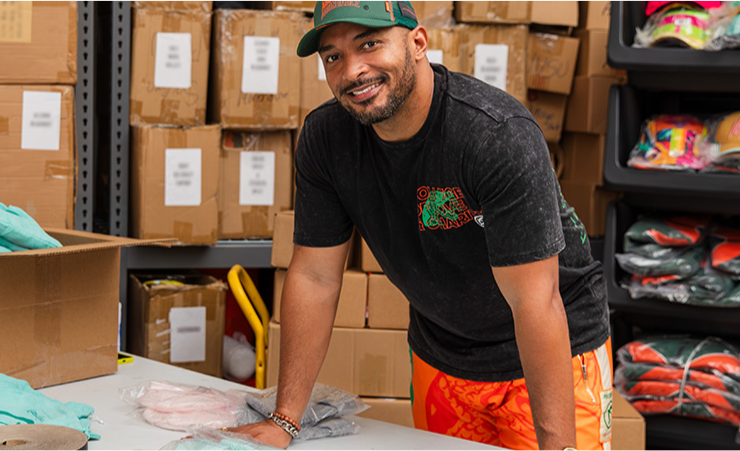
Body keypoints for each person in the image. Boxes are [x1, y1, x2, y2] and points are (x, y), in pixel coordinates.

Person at [228, 1, 612, 450]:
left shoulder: (494, 134)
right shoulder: (326, 140)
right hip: (444, 359)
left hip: (549, 355)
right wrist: (285, 420)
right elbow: (315, 278)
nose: (352, 70)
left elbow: (537, 302)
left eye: (369, 44)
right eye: (333, 56)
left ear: (417, 43)